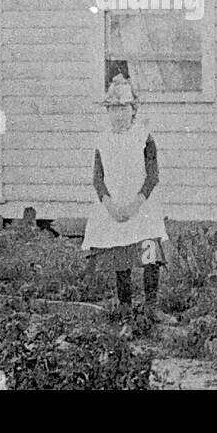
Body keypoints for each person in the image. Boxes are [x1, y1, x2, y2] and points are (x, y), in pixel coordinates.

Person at [81, 75, 176, 322]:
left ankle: (151, 307)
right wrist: (111, 206)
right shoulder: (102, 140)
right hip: (114, 206)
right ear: (108, 111)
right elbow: (97, 179)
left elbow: (152, 176)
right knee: (121, 252)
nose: (119, 114)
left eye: (124, 108)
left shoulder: (145, 137)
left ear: (134, 110)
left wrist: (136, 204)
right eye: (114, 109)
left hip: (140, 204)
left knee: (148, 252)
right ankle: (125, 306)